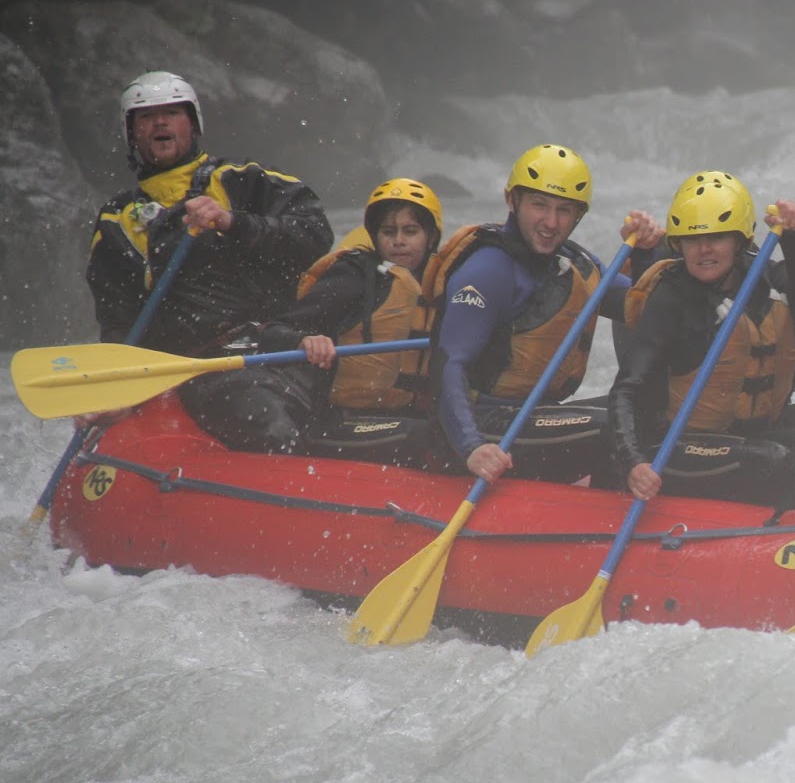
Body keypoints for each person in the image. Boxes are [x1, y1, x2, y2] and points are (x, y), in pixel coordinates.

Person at [85, 70, 332, 451]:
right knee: (265, 419)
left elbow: (314, 234)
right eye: (147, 117)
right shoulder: (117, 221)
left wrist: (232, 222)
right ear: (132, 134)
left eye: (172, 113)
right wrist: (120, 390)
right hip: (203, 368)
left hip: (280, 344)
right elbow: (118, 318)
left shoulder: (242, 179)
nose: (161, 123)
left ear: (193, 124)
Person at [429, 143, 664, 484]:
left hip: (536, 416)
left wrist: (644, 254)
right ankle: (597, 520)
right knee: (615, 428)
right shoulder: (487, 269)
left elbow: (641, 310)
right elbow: (449, 365)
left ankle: (607, 512)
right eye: (540, 205)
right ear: (513, 201)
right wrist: (472, 446)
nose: (551, 223)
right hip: (483, 425)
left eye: (564, 210)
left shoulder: (574, 263)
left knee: (646, 411)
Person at [608, 171, 795, 508]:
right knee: (781, 463)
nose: (704, 250)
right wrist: (634, 462)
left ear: (740, 240)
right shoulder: (671, 297)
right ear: (679, 244)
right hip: (682, 446)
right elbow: (626, 389)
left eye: (717, 238)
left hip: (756, 436)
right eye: (693, 240)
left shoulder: (763, 274)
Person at [255, 178, 445, 467]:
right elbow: (274, 333)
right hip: (342, 421)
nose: (398, 241)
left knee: (449, 432)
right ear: (374, 235)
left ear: (431, 237)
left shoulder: (446, 286)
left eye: (411, 231)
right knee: (425, 435)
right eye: (388, 231)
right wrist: (304, 340)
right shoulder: (356, 276)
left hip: (410, 416)